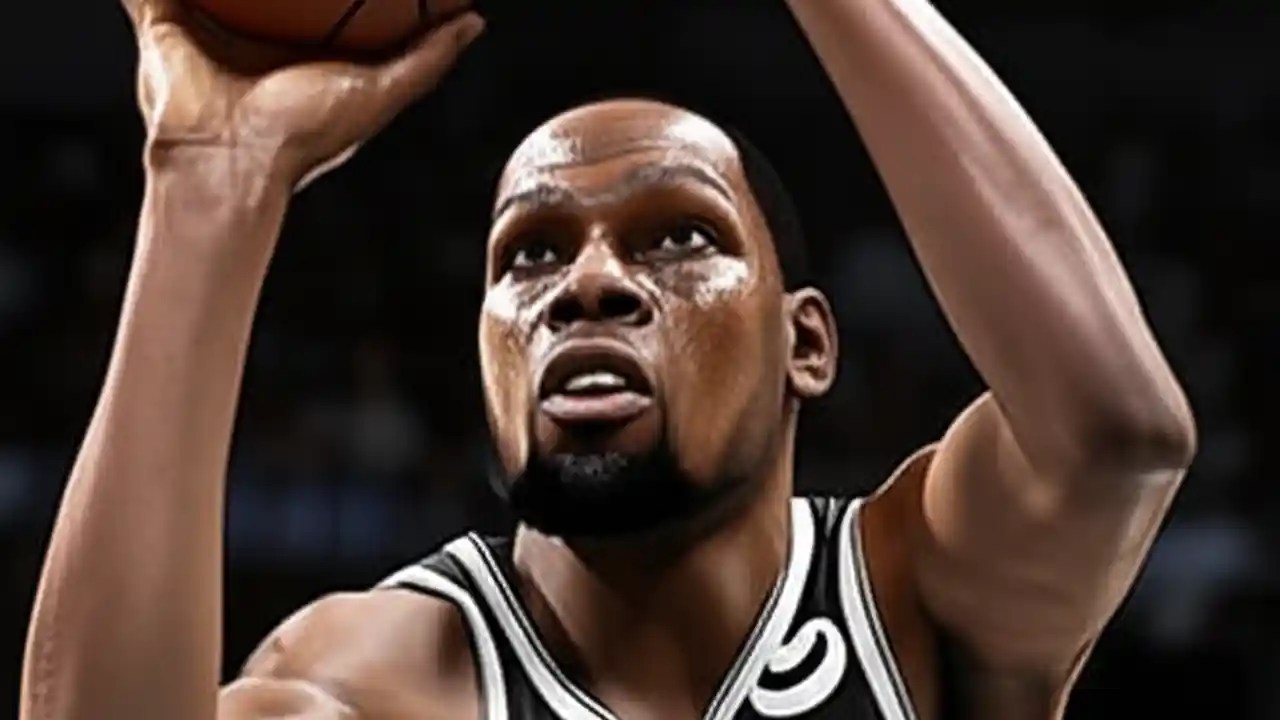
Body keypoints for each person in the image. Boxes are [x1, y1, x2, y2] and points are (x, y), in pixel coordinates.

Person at [20, 0, 1198, 718]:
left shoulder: (914, 594)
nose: (585, 281)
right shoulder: (383, 677)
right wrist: (207, 185)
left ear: (806, 342)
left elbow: (1113, 430)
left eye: (678, 236)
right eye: (526, 255)